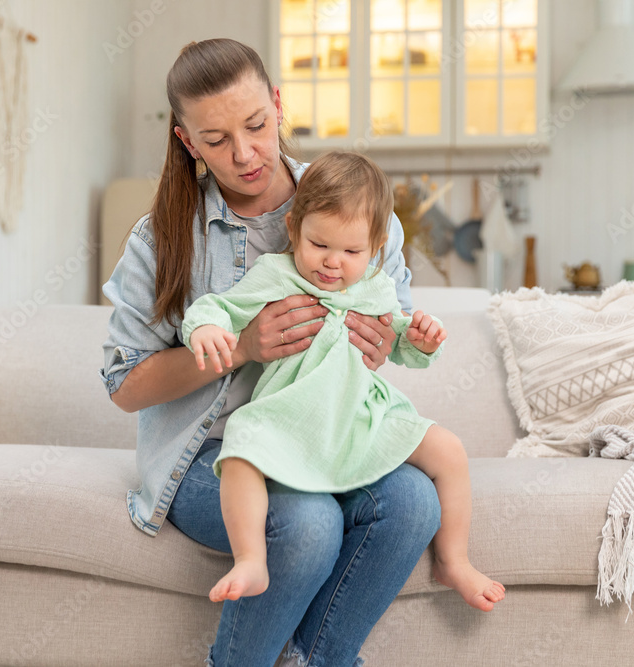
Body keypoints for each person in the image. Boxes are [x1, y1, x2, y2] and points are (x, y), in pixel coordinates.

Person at [101, 38, 446, 667]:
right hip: (215, 457)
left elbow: (385, 335)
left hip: (325, 436)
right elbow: (124, 386)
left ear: (279, 106)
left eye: (257, 125)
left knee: (414, 503)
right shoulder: (161, 238)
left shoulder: (356, 208)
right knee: (308, 525)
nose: (244, 154)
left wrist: (380, 343)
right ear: (187, 142)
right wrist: (240, 347)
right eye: (216, 139)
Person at [183, 151, 505, 614]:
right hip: (291, 415)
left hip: (360, 416)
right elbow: (217, 308)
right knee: (240, 451)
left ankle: (454, 560)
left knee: (449, 450)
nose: (333, 263)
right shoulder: (277, 275)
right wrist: (209, 329)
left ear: (375, 248)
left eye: (352, 252)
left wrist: (421, 339)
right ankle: (251, 558)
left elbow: (399, 345)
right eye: (319, 244)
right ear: (294, 228)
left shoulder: (374, 287)